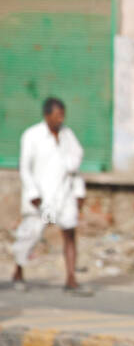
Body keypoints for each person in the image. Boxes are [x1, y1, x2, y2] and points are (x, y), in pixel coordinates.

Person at [13, 97, 90, 295]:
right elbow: (25, 168)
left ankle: (71, 278)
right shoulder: (32, 136)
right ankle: (18, 271)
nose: (60, 119)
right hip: (42, 198)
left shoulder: (68, 135)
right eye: (57, 115)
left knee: (69, 232)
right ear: (47, 115)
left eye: (63, 115)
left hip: (64, 195)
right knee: (32, 235)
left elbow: (74, 167)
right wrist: (32, 192)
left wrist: (79, 191)